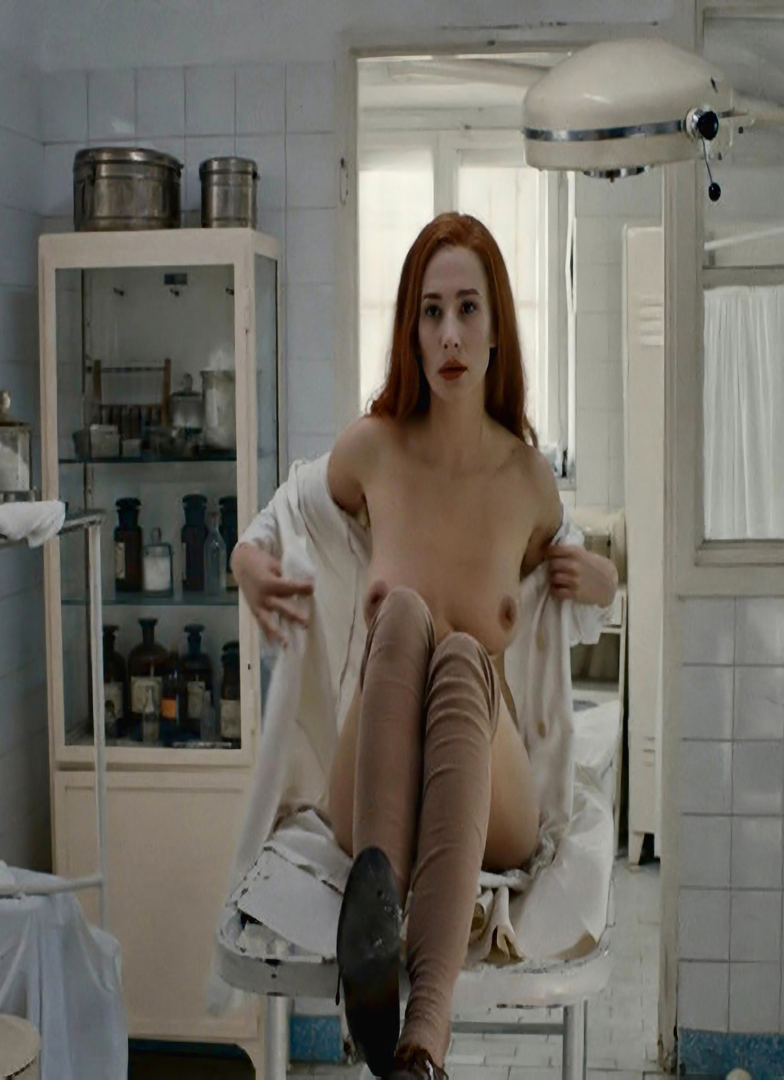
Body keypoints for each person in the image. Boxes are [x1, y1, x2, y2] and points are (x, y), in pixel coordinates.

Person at [231, 212, 617, 1080]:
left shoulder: (527, 480)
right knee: (401, 616)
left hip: (490, 791)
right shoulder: (373, 449)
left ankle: (421, 1023)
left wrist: (604, 581)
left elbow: (574, 579)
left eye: (467, 309)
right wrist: (245, 560)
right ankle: (389, 974)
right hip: (371, 781)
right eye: (430, 311)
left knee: (463, 655)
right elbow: (286, 512)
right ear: (410, 329)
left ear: (495, 328)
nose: (448, 334)